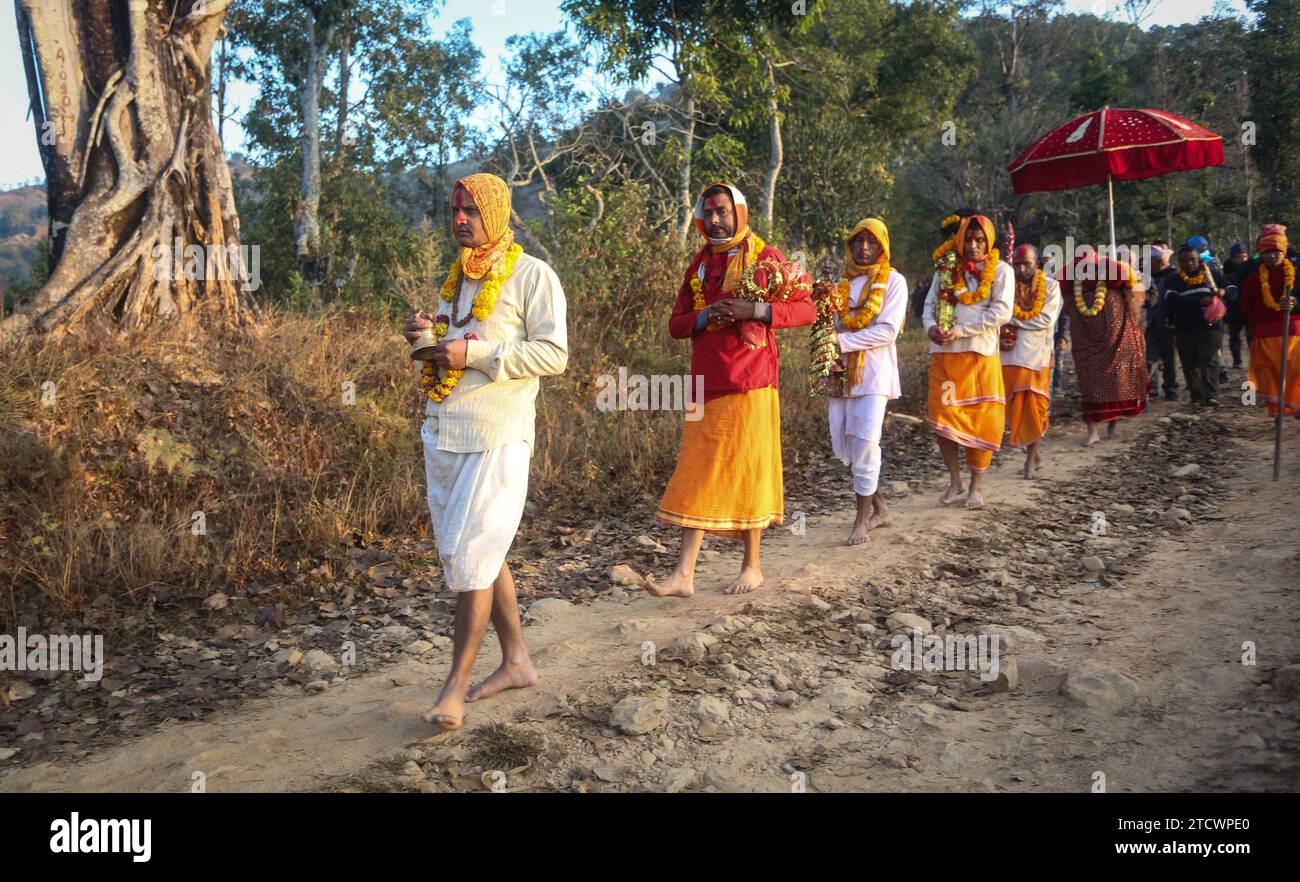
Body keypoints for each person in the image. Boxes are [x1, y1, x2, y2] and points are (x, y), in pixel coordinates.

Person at [401, 172, 569, 730]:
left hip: (499, 434)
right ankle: (517, 661)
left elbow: (553, 354)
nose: (459, 219)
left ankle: (453, 686)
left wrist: (474, 352)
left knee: (474, 558)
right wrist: (425, 337)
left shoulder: (531, 275)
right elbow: (451, 348)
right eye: (455, 209)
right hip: (446, 433)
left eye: (471, 210)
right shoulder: (456, 282)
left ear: (495, 213)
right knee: (479, 551)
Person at [647, 183, 815, 597]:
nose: (716, 220)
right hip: (707, 382)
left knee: (748, 469)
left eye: (723, 211)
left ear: (739, 213)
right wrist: (705, 316)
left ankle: (752, 566)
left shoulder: (766, 257)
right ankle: (683, 575)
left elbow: (808, 307)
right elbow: (675, 324)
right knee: (696, 470)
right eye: (709, 213)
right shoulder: (699, 266)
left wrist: (755, 310)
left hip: (752, 381)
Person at [922, 214, 1013, 509]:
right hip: (945, 358)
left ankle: (976, 485)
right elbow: (928, 306)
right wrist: (930, 328)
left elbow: (1001, 313)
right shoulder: (945, 269)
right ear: (959, 239)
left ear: (989, 241)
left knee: (981, 421)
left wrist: (959, 331)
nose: (973, 245)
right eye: (968, 239)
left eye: (979, 240)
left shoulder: (1001, 271)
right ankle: (954, 481)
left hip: (980, 356)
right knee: (942, 419)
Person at [826, 218, 908, 544]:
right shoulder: (839, 282)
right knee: (844, 443)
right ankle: (882, 510)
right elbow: (830, 324)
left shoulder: (894, 281)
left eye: (871, 242)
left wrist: (842, 341)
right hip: (839, 372)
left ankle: (861, 519)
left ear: (882, 247)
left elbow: (888, 330)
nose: (864, 248)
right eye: (858, 241)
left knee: (864, 443)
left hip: (874, 374)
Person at [1058, 249, 1149, 444]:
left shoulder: (1117, 290)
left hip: (1115, 345)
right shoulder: (1075, 294)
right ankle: (1093, 432)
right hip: (1087, 346)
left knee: (1116, 383)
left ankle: (1112, 429)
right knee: (1089, 385)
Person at [1000, 243, 1062, 479]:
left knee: (1036, 410)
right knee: (1015, 409)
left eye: (1027, 263)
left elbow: (1045, 320)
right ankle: (1033, 455)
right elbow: (997, 313)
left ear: (1038, 264)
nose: (1021, 268)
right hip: (1009, 356)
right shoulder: (1006, 286)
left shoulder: (1051, 287)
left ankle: (1029, 461)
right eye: (1017, 264)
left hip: (1037, 357)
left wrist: (1011, 319)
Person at [1240, 224, 1299, 418]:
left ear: (1284, 252)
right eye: (1267, 252)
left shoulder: (1296, 275)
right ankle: (1279, 410)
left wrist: (1295, 302)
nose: (1272, 256)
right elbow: (1246, 308)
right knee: (1269, 375)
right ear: (1261, 254)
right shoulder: (1252, 279)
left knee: (1295, 373)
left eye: (1276, 252)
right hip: (1264, 335)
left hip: (1294, 333)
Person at [1162, 243, 1229, 407]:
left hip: (1210, 326)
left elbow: (1232, 288)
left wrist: (1223, 292)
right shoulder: (1173, 279)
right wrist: (1199, 301)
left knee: (1209, 359)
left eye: (1193, 260)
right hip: (1184, 327)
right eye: (1185, 260)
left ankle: (1211, 396)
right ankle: (1197, 396)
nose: (1189, 263)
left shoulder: (1212, 274)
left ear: (1199, 260)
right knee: (1189, 363)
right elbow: (1171, 299)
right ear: (1180, 262)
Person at [1146, 242, 1180, 400]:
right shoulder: (1147, 276)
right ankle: (1151, 388)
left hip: (1169, 323)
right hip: (1151, 322)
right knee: (1150, 358)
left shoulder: (1174, 276)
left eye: (1151, 260)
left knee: (1170, 359)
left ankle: (1171, 389)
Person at [1224, 242, 1251, 368]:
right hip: (1233, 309)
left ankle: (1255, 358)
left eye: (1244, 256)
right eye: (1238, 257)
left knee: (1252, 336)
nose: (1241, 259)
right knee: (1235, 337)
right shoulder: (1226, 271)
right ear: (1232, 258)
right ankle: (1237, 360)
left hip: (1250, 309)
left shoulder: (1252, 268)